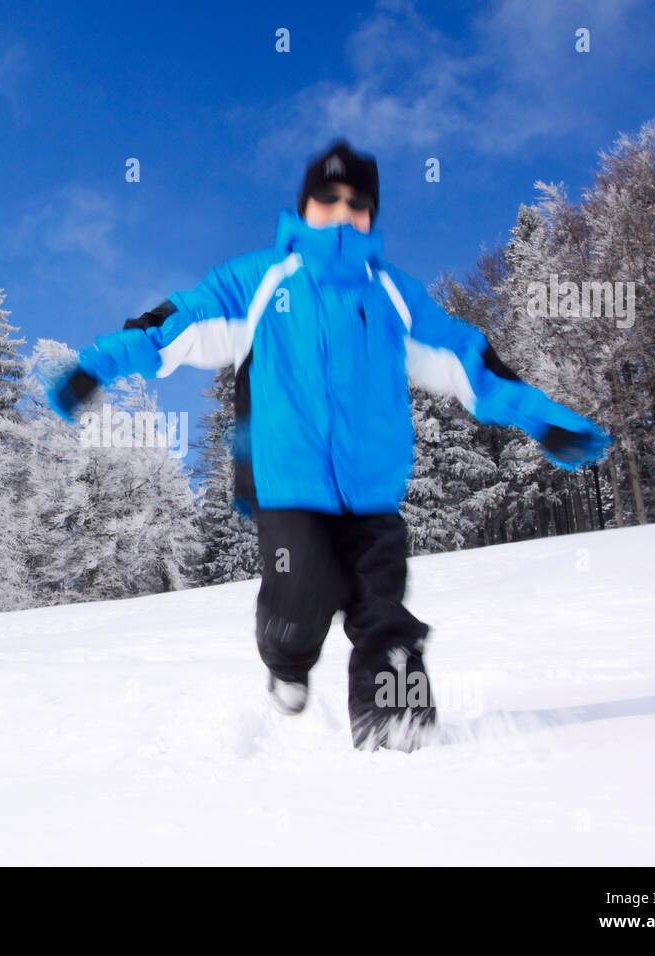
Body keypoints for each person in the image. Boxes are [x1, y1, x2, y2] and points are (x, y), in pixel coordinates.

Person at [47, 140, 612, 752]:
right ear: (304, 207)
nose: (343, 212)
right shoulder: (258, 283)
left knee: (386, 612)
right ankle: (286, 663)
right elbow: (169, 323)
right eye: (328, 198)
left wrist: (542, 418)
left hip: (372, 493)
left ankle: (401, 740)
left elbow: (469, 361)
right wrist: (96, 366)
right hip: (289, 486)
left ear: (372, 214)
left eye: (358, 202)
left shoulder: (394, 294)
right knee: (301, 595)